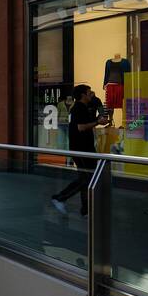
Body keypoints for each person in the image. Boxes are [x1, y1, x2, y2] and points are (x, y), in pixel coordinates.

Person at [51, 85, 107, 217]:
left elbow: (92, 120)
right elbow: (81, 127)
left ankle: (85, 210)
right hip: (80, 148)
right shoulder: (77, 108)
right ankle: (60, 198)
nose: (91, 94)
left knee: (89, 177)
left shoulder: (89, 105)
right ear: (83, 95)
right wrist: (97, 122)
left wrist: (99, 120)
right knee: (86, 177)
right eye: (88, 92)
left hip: (87, 147)